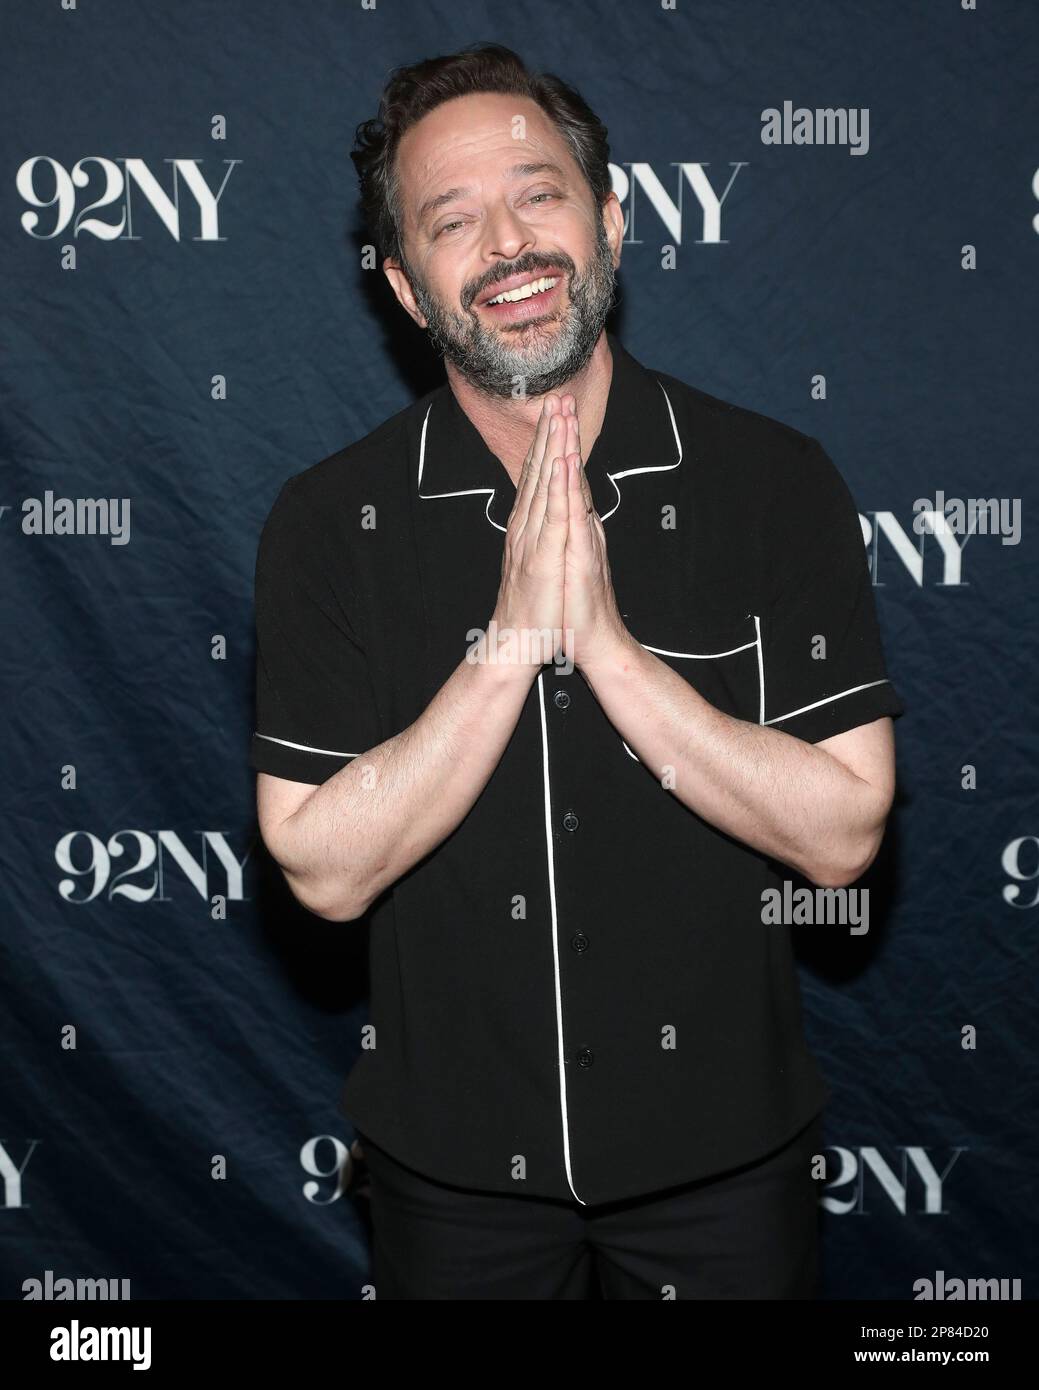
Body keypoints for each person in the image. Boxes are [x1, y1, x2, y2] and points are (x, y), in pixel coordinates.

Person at [249, 43, 903, 1299]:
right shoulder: (329, 521)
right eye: (453, 220)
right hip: (449, 1187)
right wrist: (507, 647)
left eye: (538, 194)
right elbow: (322, 868)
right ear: (400, 284)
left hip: (728, 1173)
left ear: (609, 221)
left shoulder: (771, 481)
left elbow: (842, 833)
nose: (507, 242)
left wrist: (604, 647)